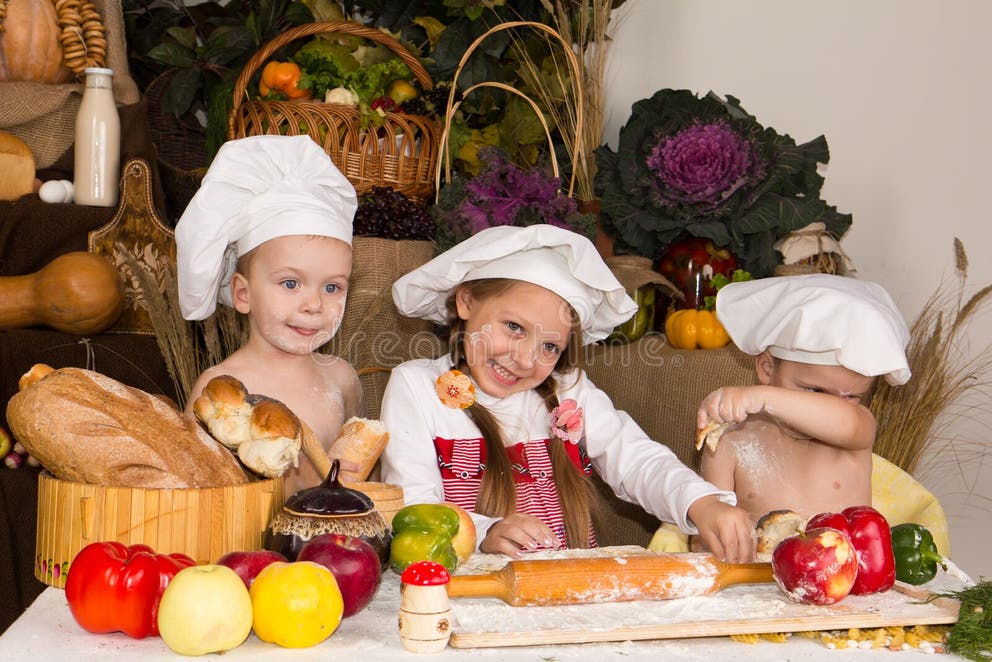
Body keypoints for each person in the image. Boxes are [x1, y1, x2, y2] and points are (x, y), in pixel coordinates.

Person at [380, 224, 754, 562]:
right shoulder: (416, 387)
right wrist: (485, 531)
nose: (525, 359)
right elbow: (413, 505)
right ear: (466, 302)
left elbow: (638, 460)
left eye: (549, 347)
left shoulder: (569, 391)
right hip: (467, 595)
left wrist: (701, 502)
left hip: (565, 594)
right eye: (514, 326)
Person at [175, 135, 362, 497]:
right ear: (243, 293)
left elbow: (368, 482)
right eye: (291, 283)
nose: (314, 304)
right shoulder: (219, 390)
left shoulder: (342, 379)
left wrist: (354, 479)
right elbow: (193, 490)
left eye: (332, 287)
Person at [698, 274, 911, 525]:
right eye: (815, 391)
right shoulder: (729, 440)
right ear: (767, 368)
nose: (833, 405)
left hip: (845, 563)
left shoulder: (856, 433)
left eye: (852, 396)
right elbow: (707, 528)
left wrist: (762, 397)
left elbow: (847, 421)